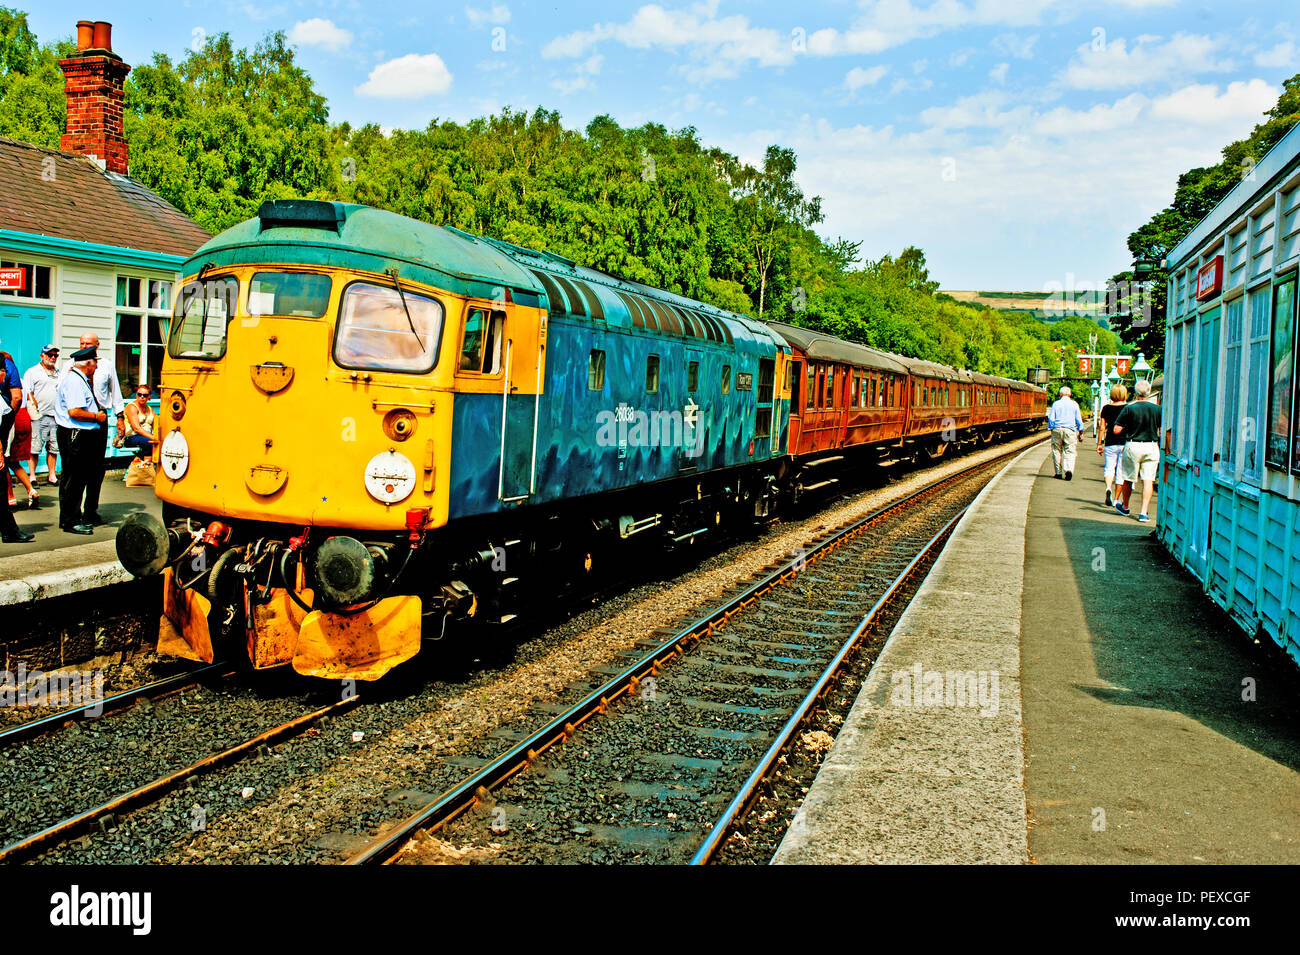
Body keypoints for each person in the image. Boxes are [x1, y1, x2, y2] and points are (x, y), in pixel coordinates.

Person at [61, 334, 122, 525]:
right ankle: (70, 514)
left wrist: (119, 417)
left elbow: (116, 392)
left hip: (100, 420)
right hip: (80, 423)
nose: (84, 346)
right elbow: (68, 399)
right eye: (82, 344)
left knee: (96, 470)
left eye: (88, 344)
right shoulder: (71, 367)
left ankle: (90, 511)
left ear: (97, 345)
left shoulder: (106, 365)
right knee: (74, 472)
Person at [54, 346, 106, 535]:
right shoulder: (75, 382)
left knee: (73, 478)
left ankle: (69, 518)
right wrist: (96, 417)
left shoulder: (77, 379)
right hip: (77, 434)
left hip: (76, 433)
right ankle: (71, 520)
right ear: (88, 364)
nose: (97, 366)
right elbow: (74, 412)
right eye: (95, 363)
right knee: (75, 479)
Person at [1111, 378, 1161, 523]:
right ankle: (1144, 512)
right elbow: (1164, 430)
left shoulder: (1129, 408)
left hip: (1133, 445)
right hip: (1151, 446)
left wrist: (1129, 426)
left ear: (1135, 392)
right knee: (1148, 480)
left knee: (1128, 478)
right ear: (1149, 392)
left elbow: (1116, 430)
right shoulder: (1158, 409)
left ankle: (1125, 507)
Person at [24, 345, 60, 487]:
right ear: (42, 356)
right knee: (34, 447)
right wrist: (34, 411)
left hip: (56, 416)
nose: (52, 357)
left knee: (53, 447)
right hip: (39, 416)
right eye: (49, 354)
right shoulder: (32, 372)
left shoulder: (59, 372)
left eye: (55, 355)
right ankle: (32, 476)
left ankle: (52, 475)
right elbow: (28, 392)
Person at [1096, 383, 1128, 508]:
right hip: (1125, 442)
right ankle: (1116, 499)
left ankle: (1108, 488)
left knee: (1109, 468)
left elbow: (1102, 427)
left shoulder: (1106, 408)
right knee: (1121, 471)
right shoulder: (1128, 408)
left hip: (1110, 441)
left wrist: (1099, 443)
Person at [1046, 385, 1084, 480]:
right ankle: (1068, 470)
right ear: (1070, 394)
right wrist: (1081, 431)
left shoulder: (1056, 404)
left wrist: (1051, 427)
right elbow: (1078, 419)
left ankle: (1058, 473)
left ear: (1061, 394)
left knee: (1056, 450)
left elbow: (1051, 418)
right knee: (1070, 450)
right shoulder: (1074, 404)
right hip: (1070, 430)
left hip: (1057, 429)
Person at [122, 383, 156, 458]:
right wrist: (153, 438)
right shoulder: (132, 407)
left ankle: (148, 465)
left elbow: (155, 427)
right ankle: (146, 464)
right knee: (150, 443)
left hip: (146, 437)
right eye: (139, 394)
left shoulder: (150, 409)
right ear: (136, 395)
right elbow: (136, 428)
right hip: (131, 437)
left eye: (145, 395)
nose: (142, 397)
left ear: (149, 396)